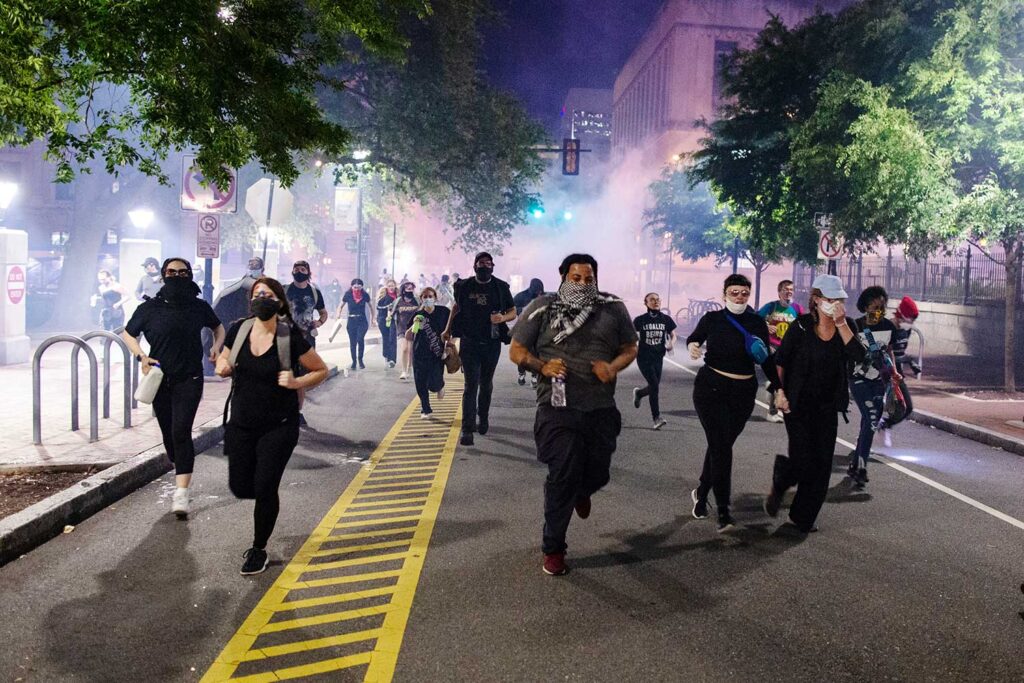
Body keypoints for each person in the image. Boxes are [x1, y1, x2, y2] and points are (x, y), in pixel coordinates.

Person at [510, 253, 638, 576]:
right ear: (563, 277)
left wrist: (612, 366)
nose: (583, 284)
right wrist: (542, 366)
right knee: (563, 473)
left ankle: (584, 490)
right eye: (576, 278)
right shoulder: (541, 307)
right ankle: (553, 548)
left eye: (589, 279)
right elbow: (516, 350)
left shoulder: (613, 308)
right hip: (556, 407)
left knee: (598, 472)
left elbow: (630, 347)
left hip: (600, 408)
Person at [215, 277, 328, 574]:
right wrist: (222, 367)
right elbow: (223, 360)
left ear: (279, 302)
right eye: (256, 294)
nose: (260, 297)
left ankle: (258, 548)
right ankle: (259, 507)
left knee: (265, 486)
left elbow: (320, 370)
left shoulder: (288, 336)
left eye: (267, 294)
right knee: (241, 485)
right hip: (241, 423)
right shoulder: (239, 330)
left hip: (279, 424)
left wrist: (296, 381)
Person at [122, 258, 225, 517]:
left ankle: (181, 493)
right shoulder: (150, 308)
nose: (176, 276)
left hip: (189, 377)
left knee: (181, 430)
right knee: (169, 435)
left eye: (182, 272)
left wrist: (216, 346)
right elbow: (128, 334)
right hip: (159, 379)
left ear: (190, 276)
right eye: (171, 272)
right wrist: (141, 357)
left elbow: (218, 327)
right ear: (163, 275)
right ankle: (180, 462)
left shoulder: (198, 307)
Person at [766, 274, 865, 533]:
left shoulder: (848, 326)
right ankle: (782, 479)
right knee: (803, 460)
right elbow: (780, 361)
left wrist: (842, 324)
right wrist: (779, 393)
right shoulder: (800, 326)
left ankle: (803, 517)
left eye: (839, 299)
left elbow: (858, 356)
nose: (835, 304)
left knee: (821, 465)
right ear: (817, 300)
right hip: (797, 404)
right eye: (830, 300)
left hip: (827, 406)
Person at [686, 273, 776, 533]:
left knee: (720, 445)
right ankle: (724, 513)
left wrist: (779, 389)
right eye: (734, 292)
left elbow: (766, 359)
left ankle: (702, 493)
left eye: (744, 293)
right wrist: (693, 346)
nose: (739, 297)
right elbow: (695, 337)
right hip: (711, 389)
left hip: (743, 392)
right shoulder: (713, 318)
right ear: (725, 293)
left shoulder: (756, 322)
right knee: (722, 447)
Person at [442, 252, 516, 446]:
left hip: (491, 343)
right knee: (470, 385)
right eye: (481, 263)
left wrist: (502, 318)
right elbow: (456, 307)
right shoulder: (463, 286)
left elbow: (512, 311)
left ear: (493, 266)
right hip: (469, 341)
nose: (484, 266)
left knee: (486, 383)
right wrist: (448, 329)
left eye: (488, 263)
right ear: (474, 266)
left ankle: (483, 416)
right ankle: (467, 429)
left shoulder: (501, 287)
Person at [848, 286, 902, 488]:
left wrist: (894, 372)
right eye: (874, 306)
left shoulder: (889, 326)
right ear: (865, 306)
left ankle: (855, 465)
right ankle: (861, 467)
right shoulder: (856, 326)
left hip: (880, 381)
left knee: (868, 422)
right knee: (871, 418)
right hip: (858, 379)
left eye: (882, 306)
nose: (879, 310)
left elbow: (889, 351)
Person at [757, 280, 804, 423]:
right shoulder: (771, 307)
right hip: (772, 346)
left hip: (789, 349)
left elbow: (804, 326)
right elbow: (755, 320)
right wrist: (766, 325)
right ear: (779, 292)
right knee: (778, 378)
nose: (788, 291)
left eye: (790, 289)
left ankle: (772, 392)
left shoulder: (797, 309)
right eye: (785, 289)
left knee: (784, 379)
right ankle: (772, 412)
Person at [632, 292, 677, 430]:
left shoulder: (666, 319)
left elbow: (673, 335)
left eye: (658, 300)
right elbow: (632, 336)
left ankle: (639, 393)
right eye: (652, 300)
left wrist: (671, 344)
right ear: (645, 303)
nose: (656, 302)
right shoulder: (640, 320)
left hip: (658, 357)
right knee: (655, 386)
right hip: (644, 358)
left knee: (654, 386)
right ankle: (656, 418)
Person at [881, 296, 921, 447]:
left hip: (897, 375)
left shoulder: (906, 331)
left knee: (907, 408)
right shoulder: (888, 327)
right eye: (910, 318)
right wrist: (908, 361)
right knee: (876, 408)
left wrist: (910, 362)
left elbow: (900, 354)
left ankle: (885, 425)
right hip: (884, 374)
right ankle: (863, 442)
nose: (911, 322)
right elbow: (888, 356)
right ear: (902, 314)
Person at [407, 287, 450, 418]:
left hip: (437, 353)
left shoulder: (444, 312)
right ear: (421, 299)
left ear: (435, 298)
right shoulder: (418, 315)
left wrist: (448, 347)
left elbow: (452, 331)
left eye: (430, 296)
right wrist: (413, 326)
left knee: (434, 383)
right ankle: (426, 409)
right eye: (424, 297)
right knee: (420, 382)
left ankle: (439, 386)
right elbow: (409, 336)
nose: (427, 299)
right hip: (419, 353)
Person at [213, 257, 265, 329]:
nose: (253, 267)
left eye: (256, 265)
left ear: (262, 268)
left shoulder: (266, 283)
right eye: (251, 265)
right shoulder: (243, 281)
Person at [286, 261, 327, 347]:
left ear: (308, 273)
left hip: (308, 339)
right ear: (292, 272)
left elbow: (323, 313)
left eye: (303, 269)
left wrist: (319, 322)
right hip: (287, 338)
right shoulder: (284, 290)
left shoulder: (315, 292)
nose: (299, 272)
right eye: (296, 270)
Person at [513, 278, 546, 387]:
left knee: (536, 354)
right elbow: (512, 308)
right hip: (524, 330)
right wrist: (521, 310)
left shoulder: (544, 297)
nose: (539, 293)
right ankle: (521, 373)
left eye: (540, 291)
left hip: (538, 330)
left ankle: (534, 376)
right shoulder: (521, 296)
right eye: (537, 291)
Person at [336, 278, 372, 370]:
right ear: (351, 287)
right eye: (355, 287)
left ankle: (360, 359)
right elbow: (340, 306)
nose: (356, 289)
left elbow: (371, 307)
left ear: (362, 287)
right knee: (353, 342)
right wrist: (338, 314)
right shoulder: (348, 295)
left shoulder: (365, 295)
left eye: (359, 287)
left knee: (360, 338)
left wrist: (373, 318)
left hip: (362, 320)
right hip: (351, 321)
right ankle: (354, 361)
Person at [392, 282, 420, 380]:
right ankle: (404, 371)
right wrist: (388, 317)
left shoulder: (417, 301)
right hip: (402, 328)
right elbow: (391, 310)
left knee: (411, 350)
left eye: (412, 288)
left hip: (414, 328)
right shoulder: (398, 301)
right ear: (403, 290)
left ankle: (409, 368)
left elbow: (422, 312)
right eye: (408, 288)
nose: (410, 290)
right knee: (404, 349)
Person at [376, 279, 399, 368]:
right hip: (383, 319)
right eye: (389, 286)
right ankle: (386, 355)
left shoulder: (398, 296)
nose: (391, 287)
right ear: (386, 287)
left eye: (392, 285)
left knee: (392, 338)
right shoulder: (383, 297)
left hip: (393, 320)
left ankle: (392, 359)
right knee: (386, 338)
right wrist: (389, 307)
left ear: (395, 286)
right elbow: (378, 307)